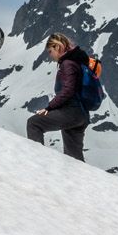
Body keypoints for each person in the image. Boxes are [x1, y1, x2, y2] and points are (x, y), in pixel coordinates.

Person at [25, 32, 89, 160]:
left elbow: (68, 90)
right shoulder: (78, 61)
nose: (50, 55)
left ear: (57, 47)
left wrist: (49, 108)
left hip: (71, 111)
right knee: (74, 158)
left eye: (50, 51)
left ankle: (36, 163)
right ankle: (79, 179)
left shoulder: (68, 64)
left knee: (34, 123)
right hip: (81, 114)